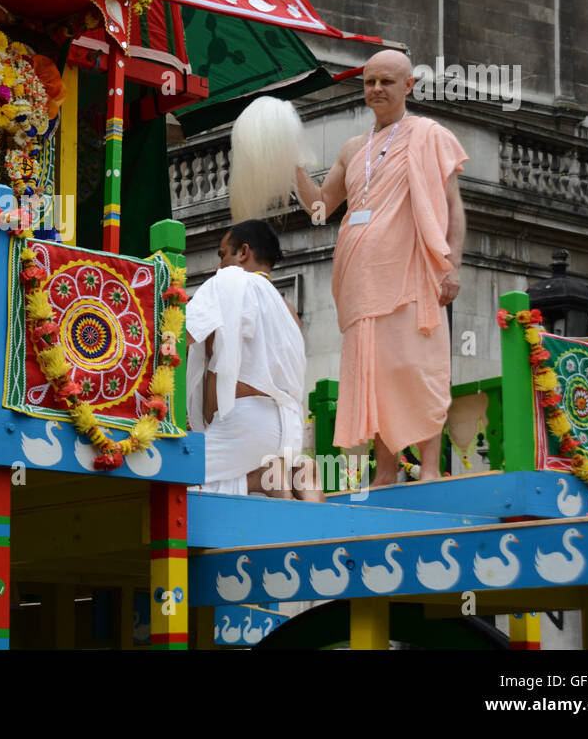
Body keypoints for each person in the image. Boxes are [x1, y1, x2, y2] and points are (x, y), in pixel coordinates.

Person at [293, 49, 467, 485]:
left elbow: (452, 207)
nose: (376, 90)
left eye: (386, 82)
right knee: (376, 376)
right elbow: (319, 207)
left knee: (417, 368)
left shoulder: (429, 135)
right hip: (360, 280)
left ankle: (429, 469)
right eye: (369, 82)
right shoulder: (353, 149)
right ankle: (385, 472)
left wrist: (452, 266)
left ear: (408, 86)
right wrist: (289, 159)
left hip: (413, 272)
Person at [185, 220, 308, 498]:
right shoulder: (289, 310)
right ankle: (285, 475)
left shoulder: (228, 281)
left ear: (243, 253)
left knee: (174, 480)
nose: (218, 266)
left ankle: (266, 479)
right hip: (288, 428)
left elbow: (181, 335)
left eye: (222, 255)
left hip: (243, 423)